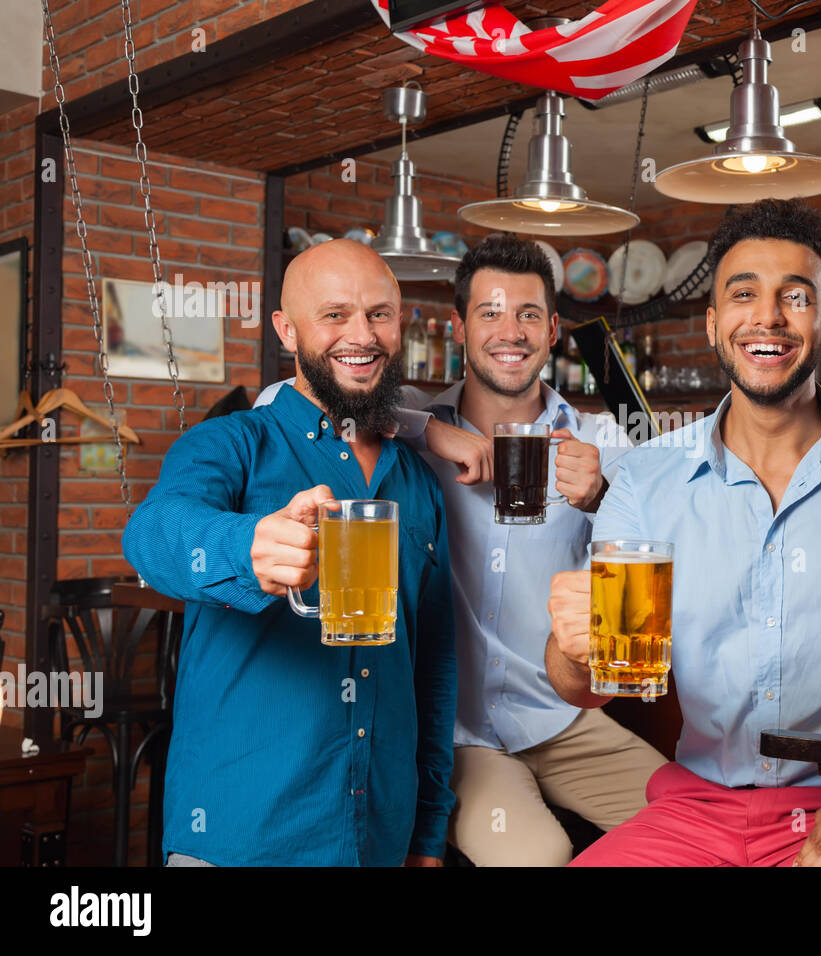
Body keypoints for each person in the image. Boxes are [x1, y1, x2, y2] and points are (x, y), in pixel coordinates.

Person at [546, 198, 821, 867]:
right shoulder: (643, 479)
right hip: (696, 811)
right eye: (743, 294)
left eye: (796, 296)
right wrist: (571, 651)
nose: (768, 317)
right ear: (713, 324)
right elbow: (592, 685)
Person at [256, 235, 665, 866]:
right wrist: (430, 430)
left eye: (529, 314)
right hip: (458, 733)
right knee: (539, 857)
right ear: (459, 327)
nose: (511, 331)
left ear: (554, 330)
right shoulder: (401, 428)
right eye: (490, 312)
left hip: (561, 715)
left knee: (702, 827)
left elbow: (671, 542)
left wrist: (602, 496)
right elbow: (275, 404)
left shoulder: (601, 439)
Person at [123, 239, 457, 866]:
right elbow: (151, 533)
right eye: (334, 314)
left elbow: (433, 666)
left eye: (379, 314)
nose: (362, 335)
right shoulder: (230, 443)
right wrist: (244, 546)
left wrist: (427, 832)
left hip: (381, 839)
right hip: (243, 838)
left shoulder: (418, 480)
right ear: (286, 330)